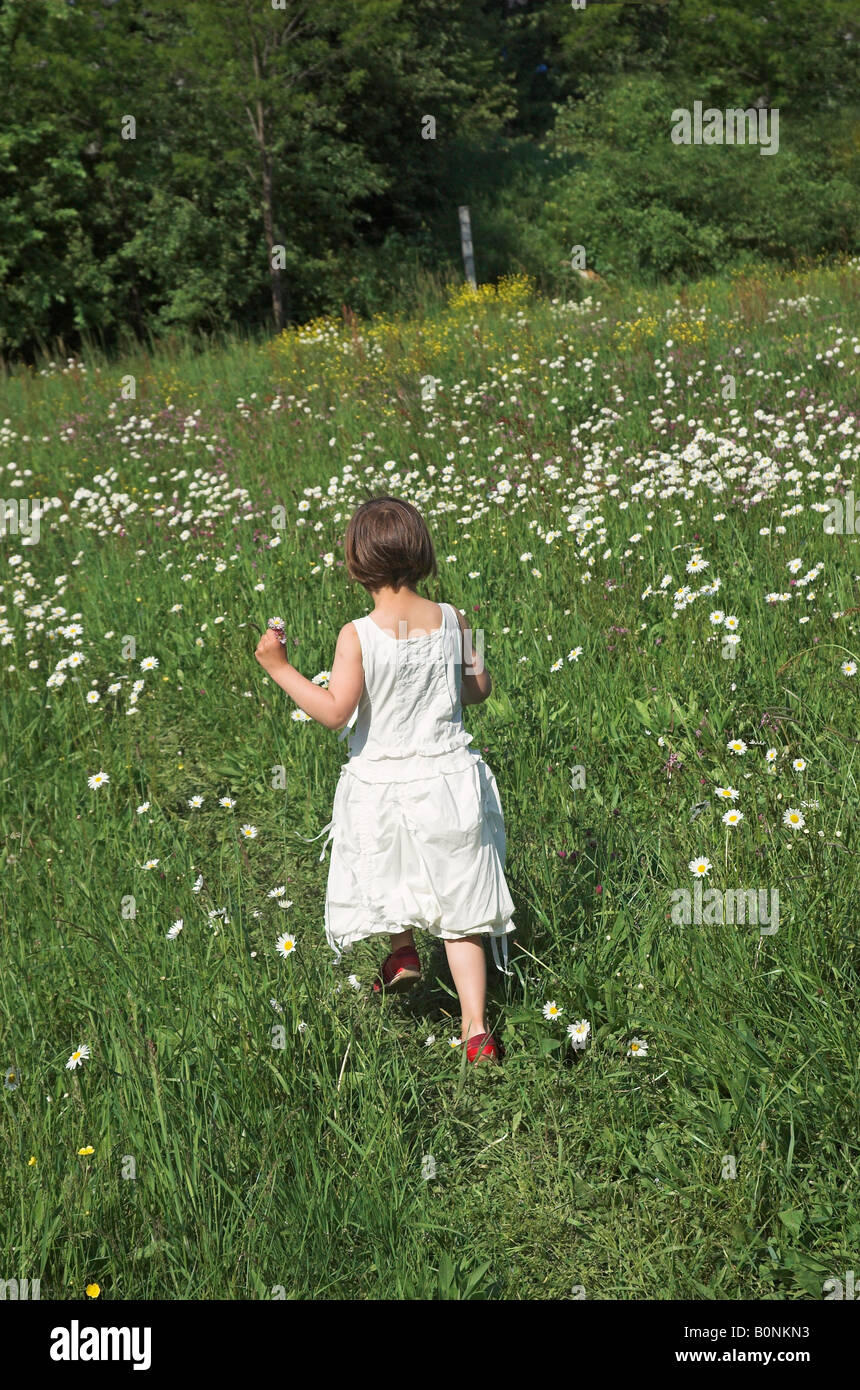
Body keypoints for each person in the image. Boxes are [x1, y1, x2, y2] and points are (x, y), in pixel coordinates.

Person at [254, 495, 515, 1063]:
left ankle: (404, 950)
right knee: (461, 906)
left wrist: (279, 668)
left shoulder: (357, 635)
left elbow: (335, 713)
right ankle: (476, 1031)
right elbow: (478, 689)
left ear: (356, 563)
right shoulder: (453, 618)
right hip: (449, 777)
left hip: (383, 782)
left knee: (394, 868)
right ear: (421, 552)